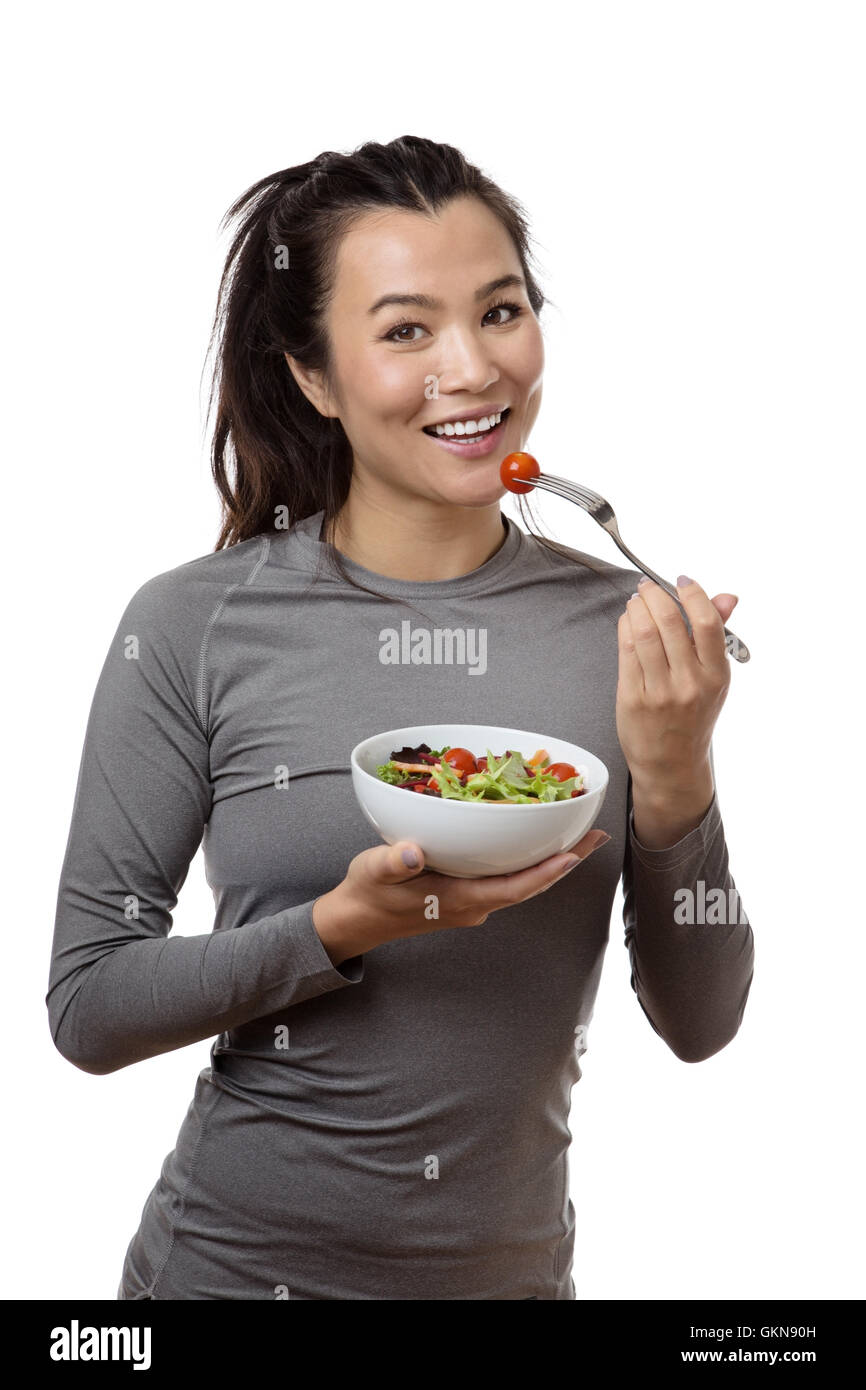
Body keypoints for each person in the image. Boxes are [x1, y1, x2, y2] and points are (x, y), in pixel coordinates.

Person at [46, 135, 755, 1301]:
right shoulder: (193, 624)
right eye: (405, 330)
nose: (471, 369)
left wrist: (677, 776)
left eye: (500, 309)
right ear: (315, 378)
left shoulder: (621, 632)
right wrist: (334, 927)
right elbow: (89, 1004)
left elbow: (702, 1021)